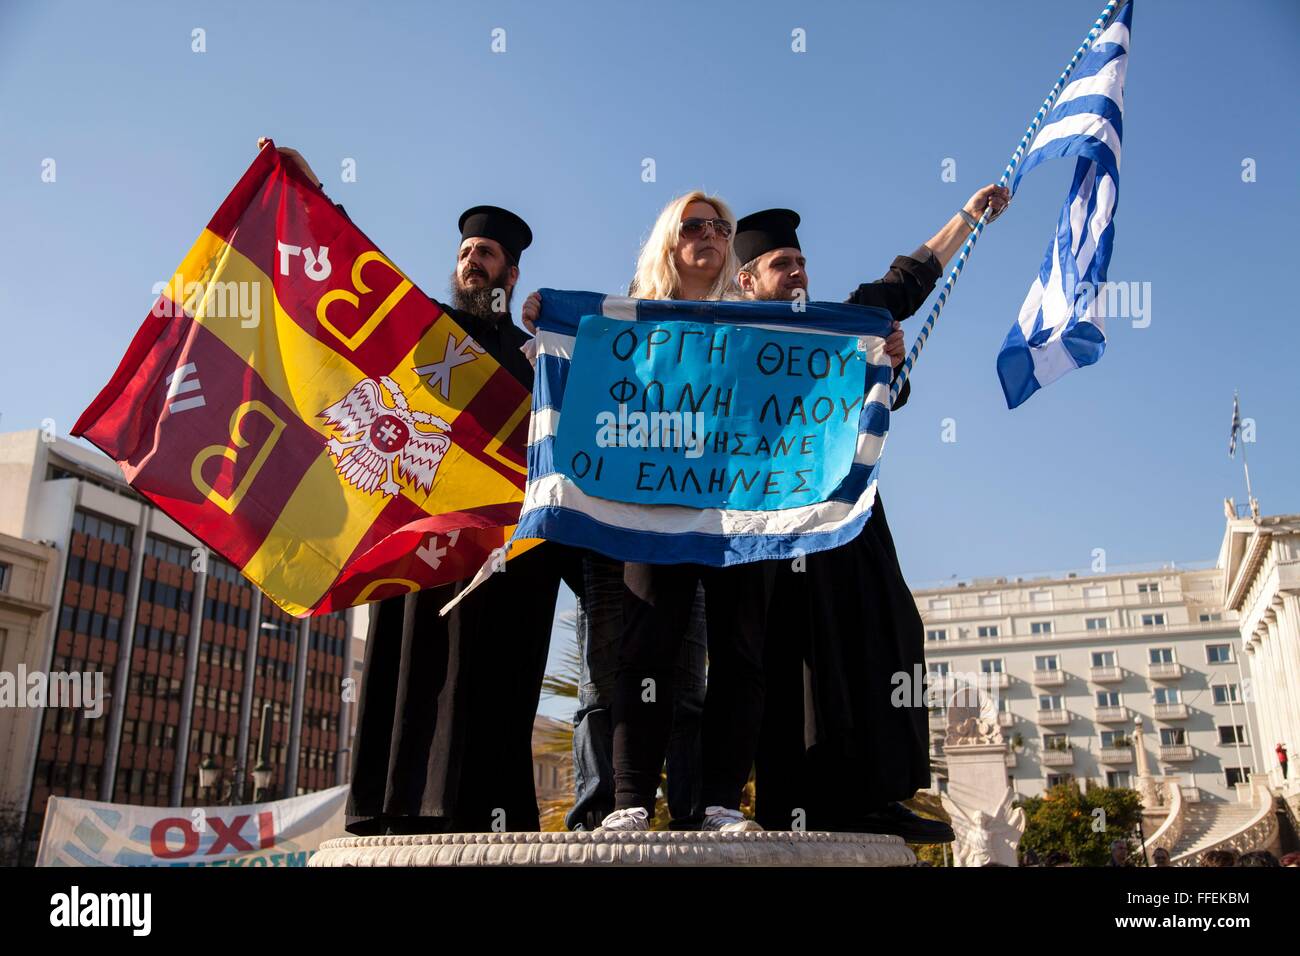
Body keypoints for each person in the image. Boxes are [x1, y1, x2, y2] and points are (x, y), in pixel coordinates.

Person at [265, 141, 583, 834]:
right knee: (410, 670)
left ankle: (488, 808)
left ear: (512, 270)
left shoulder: (536, 360)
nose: (474, 259)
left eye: (488, 254)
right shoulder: (420, 332)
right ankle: (394, 803)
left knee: (492, 681)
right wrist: (310, 194)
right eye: (468, 250)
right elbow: (349, 275)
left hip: (503, 559)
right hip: (419, 546)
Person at [735, 188, 1007, 840]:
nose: (798, 272)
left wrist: (969, 218)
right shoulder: (728, 341)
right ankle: (794, 804)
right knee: (795, 658)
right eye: (781, 264)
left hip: (852, 517)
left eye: (802, 261)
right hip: (773, 527)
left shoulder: (841, 322)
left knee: (888, 629)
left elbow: (903, 282)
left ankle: (877, 793)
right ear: (747, 282)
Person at [588, 191, 772, 833]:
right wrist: (540, 324)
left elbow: (818, 372)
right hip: (655, 504)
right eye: (696, 225)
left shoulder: (761, 324)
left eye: (721, 226)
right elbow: (577, 378)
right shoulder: (626, 321)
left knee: (741, 653)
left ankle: (722, 802)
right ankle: (630, 802)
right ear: (670, 239)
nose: (712, 235)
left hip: (741, 511)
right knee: (644, 651)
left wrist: (876, 347)